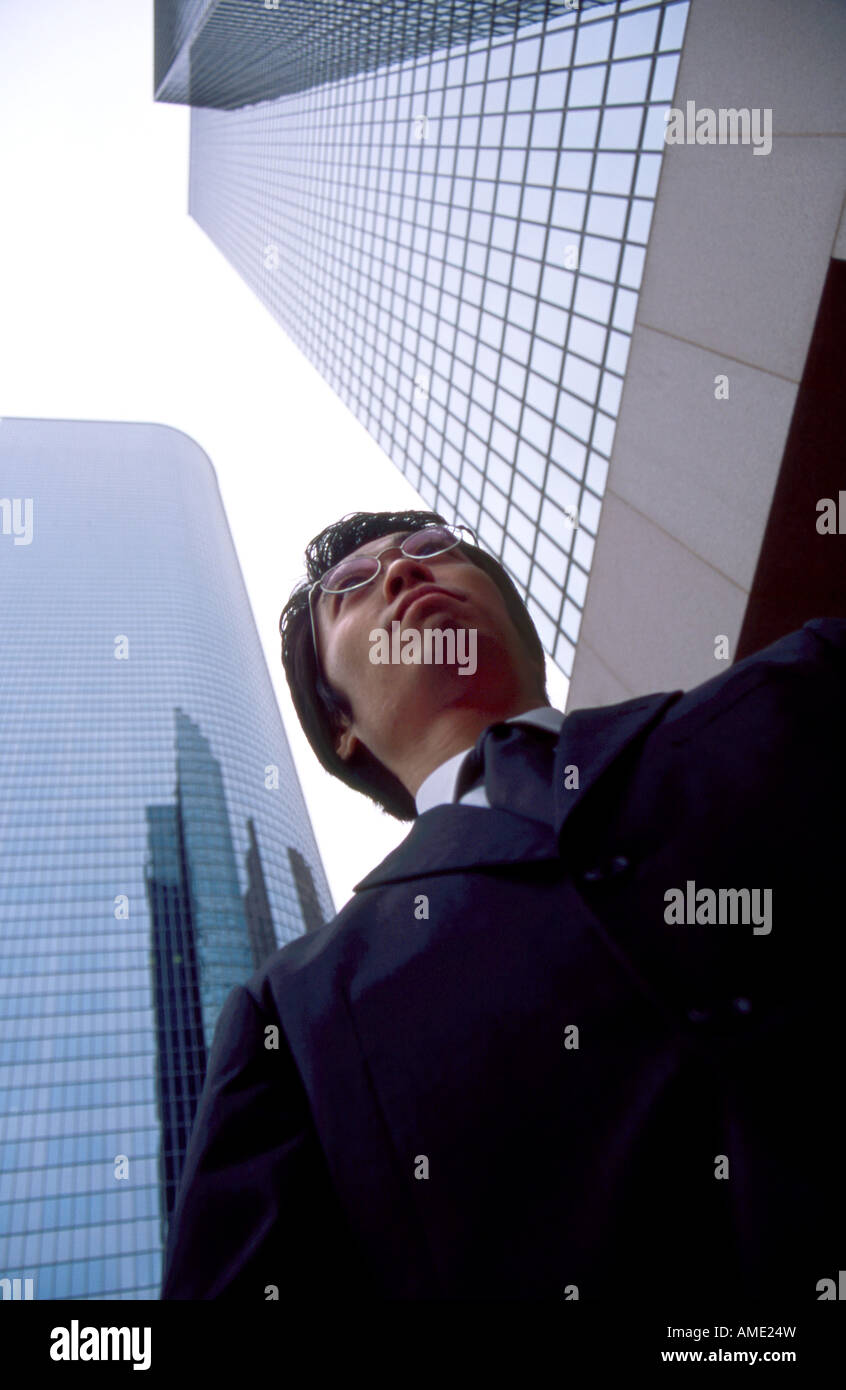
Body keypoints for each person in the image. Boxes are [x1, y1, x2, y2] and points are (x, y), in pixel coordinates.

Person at [161, 508, 845, 1304]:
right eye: (348, 589)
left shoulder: (805, 686)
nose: (404, 572)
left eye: (430, 551)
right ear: (339, 724)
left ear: (522, 627)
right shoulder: (292, 1011)